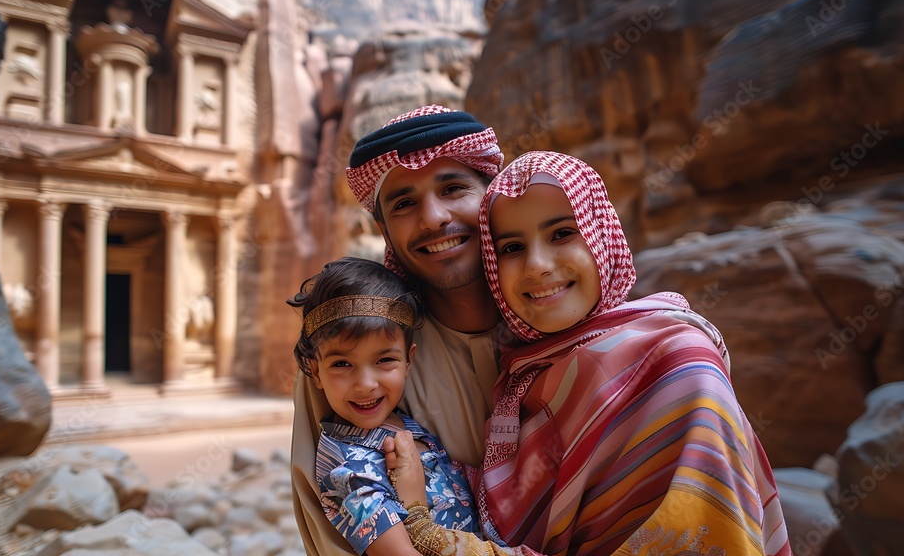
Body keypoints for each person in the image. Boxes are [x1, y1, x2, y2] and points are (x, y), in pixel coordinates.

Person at [388, 151, 792, 555]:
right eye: (511, 247)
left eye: (562, 234)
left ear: (601, 236)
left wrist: (426, 528)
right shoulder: (526, 369)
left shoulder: (676, 363)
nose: (537, 266)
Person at [291, 105, 510, 556]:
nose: (433, 219)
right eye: (404, 203)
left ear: (492, 196)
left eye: (453, 188)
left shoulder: (554, 318)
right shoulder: (358, 338)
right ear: (383, 229)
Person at [288, 256, 483, 555]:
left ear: (409, 361)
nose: (365, 383)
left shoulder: (404, 421)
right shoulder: (347, 471)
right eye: (342, 363)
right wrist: (415, 507)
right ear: (315, 372)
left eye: (384, 360)